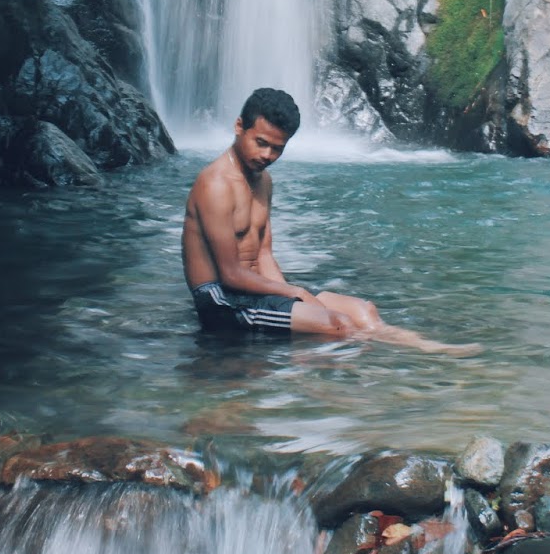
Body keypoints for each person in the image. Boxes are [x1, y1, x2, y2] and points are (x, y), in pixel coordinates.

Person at [182, 86, 482, 354]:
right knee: (337, 326)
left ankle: (426, 348)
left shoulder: (263, 181)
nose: (267, 154)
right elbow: (230, 274)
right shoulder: (216, 184)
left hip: (257, 292)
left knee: (363, 311)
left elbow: (263, 254)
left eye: (277, 148)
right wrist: (295, 295)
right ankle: (315, 389)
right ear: (239, 127)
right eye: (260, 142)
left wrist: (292, 304)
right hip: (223, 302)